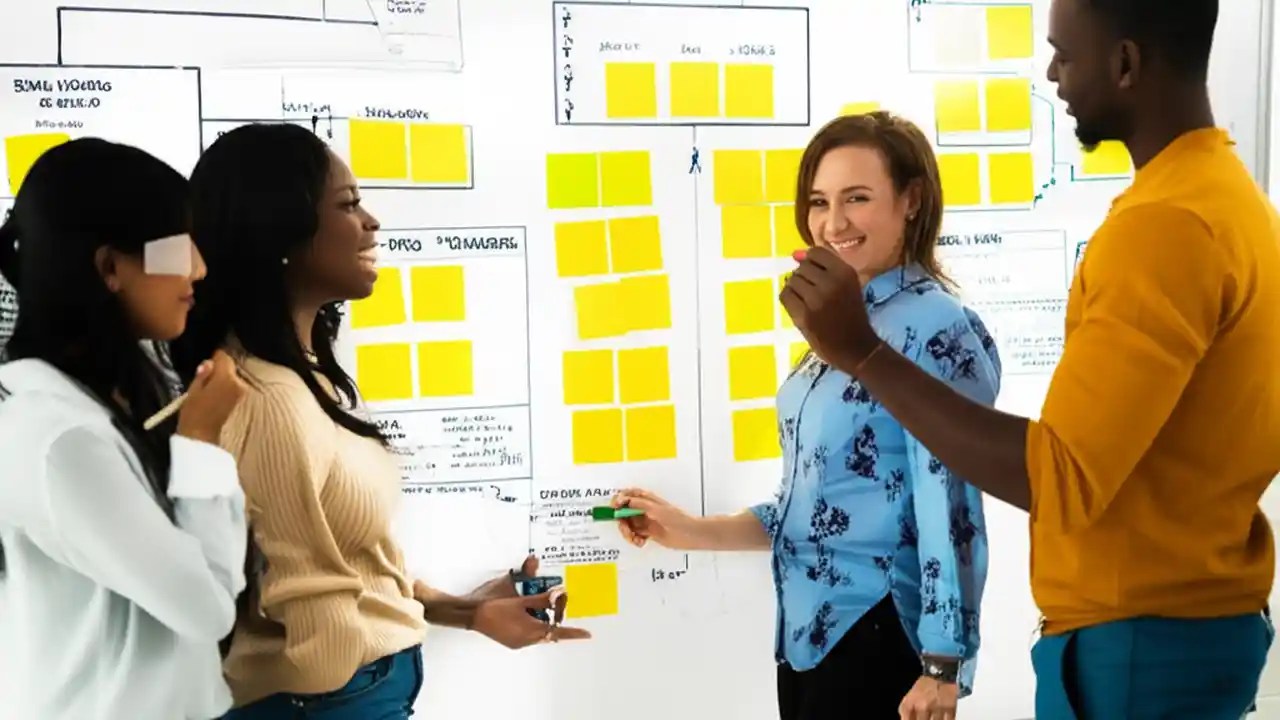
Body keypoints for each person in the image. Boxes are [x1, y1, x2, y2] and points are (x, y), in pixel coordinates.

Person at [779, 1, 1279, 718]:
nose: (1053, 75)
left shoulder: (1164, 227)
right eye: (820, 200)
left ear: (1127, 63)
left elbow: (1062, 478)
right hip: (1179, 626)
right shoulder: (1234, 204)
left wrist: (860, 351)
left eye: (1065, 55)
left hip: (1139, 644)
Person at [168, 122, 589, 719]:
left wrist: (464, 610)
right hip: (326, 704)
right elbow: (310, 611)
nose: (371, 222)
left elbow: (344, 568)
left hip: (352, 695)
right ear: (283, 232)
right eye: (347, 205)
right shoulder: (267, 397)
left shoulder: (304, 376)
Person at [613, 111, 1001, 720]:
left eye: (857, 198)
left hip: (881, 639)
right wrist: (684, 529)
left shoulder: (934, 329)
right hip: (809, 644)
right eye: (819, 201)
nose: (832, 222)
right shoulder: (840, 327)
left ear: (912, 200)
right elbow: (812, 509)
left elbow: (949, 505)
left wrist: (943, 664)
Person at [0, 138, 248, 719]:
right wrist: (201, 442)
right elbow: (208, 608)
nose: (199, 268)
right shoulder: (63, 440)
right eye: (175, 247)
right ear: (110, 267)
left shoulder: (104, 401)